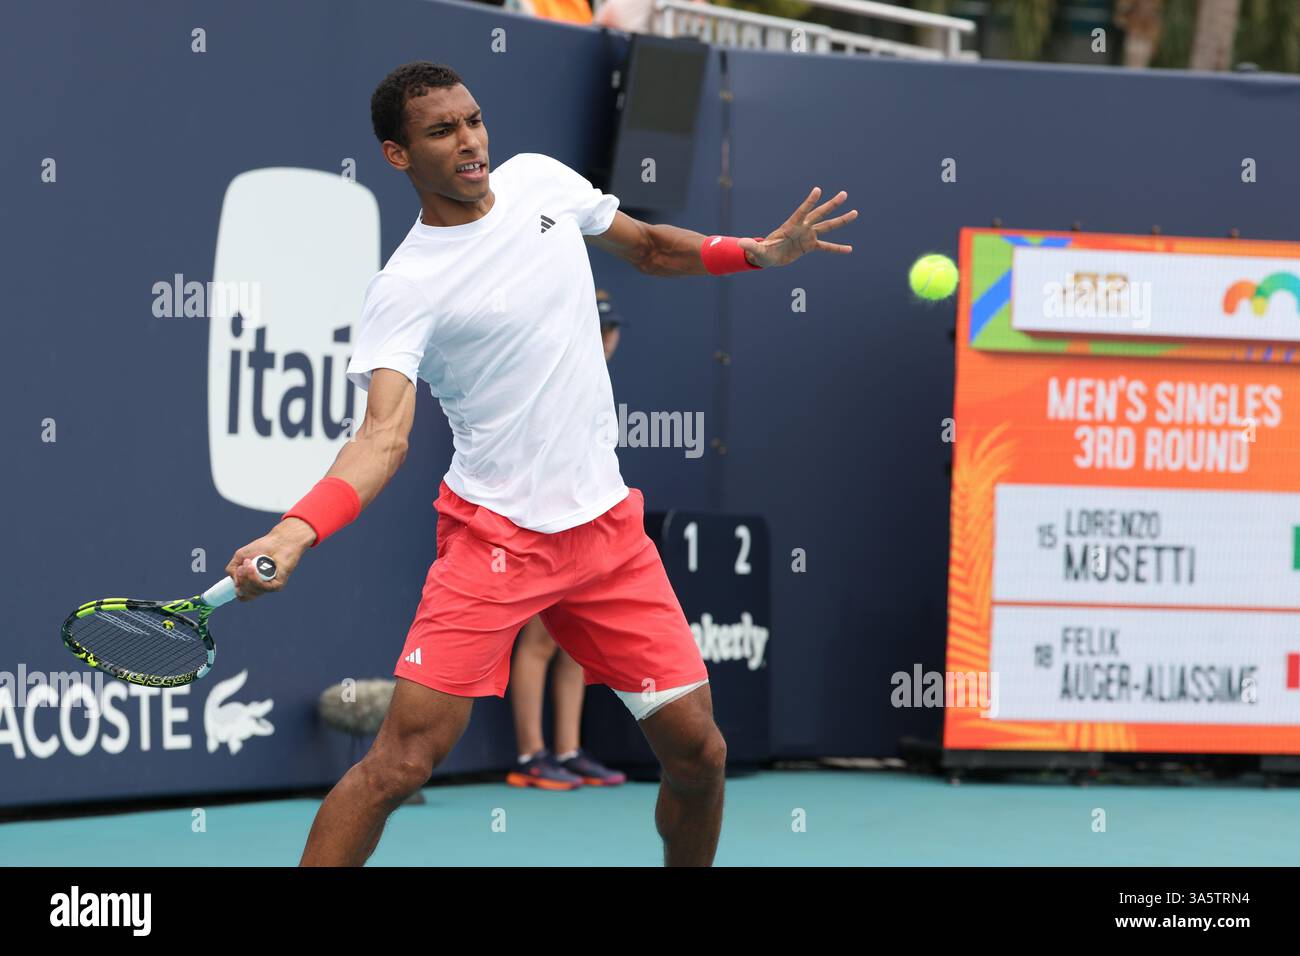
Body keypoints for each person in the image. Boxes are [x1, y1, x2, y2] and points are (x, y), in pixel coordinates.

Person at [224, 61, 855, 867]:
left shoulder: (542, 183)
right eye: (442, 131)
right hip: (495, 538)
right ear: (397, 155)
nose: (470, 141)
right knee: (400, 764)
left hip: (607, 535)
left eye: (474, 120)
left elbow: (655, 250)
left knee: (700, 754)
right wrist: (297, 529)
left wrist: (754, 254)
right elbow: (383, 437)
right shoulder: (406, 286)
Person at [508, 289, 627, 790]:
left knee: (574, 643)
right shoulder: (548, 378)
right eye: (591, 330)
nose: (601, 341)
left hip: (586, 524)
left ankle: (568, 749)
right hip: (541, 525)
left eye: (606, 332)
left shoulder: (595, 385)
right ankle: (530, 755)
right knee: (538, 638)